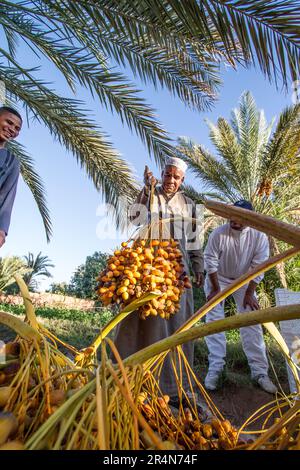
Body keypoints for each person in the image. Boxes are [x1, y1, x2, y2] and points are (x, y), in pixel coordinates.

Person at [113, 157, 204, 401]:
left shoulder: (190, 205)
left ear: (183, 180)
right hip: (146, 263)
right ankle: (128, 377)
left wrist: (199, 267)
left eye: (176, 177)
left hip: (178, 268)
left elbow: (195, 241)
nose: (171, 180)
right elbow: (134, 218)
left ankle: (171, 388)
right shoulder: (150, 193)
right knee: (141, 317)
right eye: (167, 175)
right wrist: (145, 189)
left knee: (176, 320)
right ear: (162, 174)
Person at [203, 200, 278, 394]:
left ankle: (260, 372)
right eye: (233, 214)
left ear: (251, 219)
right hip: (217, 279)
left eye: (241, 216)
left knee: (251, 320)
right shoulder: (218, 233)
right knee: (214, 320)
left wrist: (250, 293)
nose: (235, 219)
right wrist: (216, 289)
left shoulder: (259, 236)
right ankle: (216, 368)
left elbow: (259, 267)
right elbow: (210, 260)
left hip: (245, 281)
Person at [0, 106, 22, 248]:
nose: (12, 129)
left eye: (17, 128)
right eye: (8, 122)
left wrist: (2, 231)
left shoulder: (12, 162)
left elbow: (6, 198)